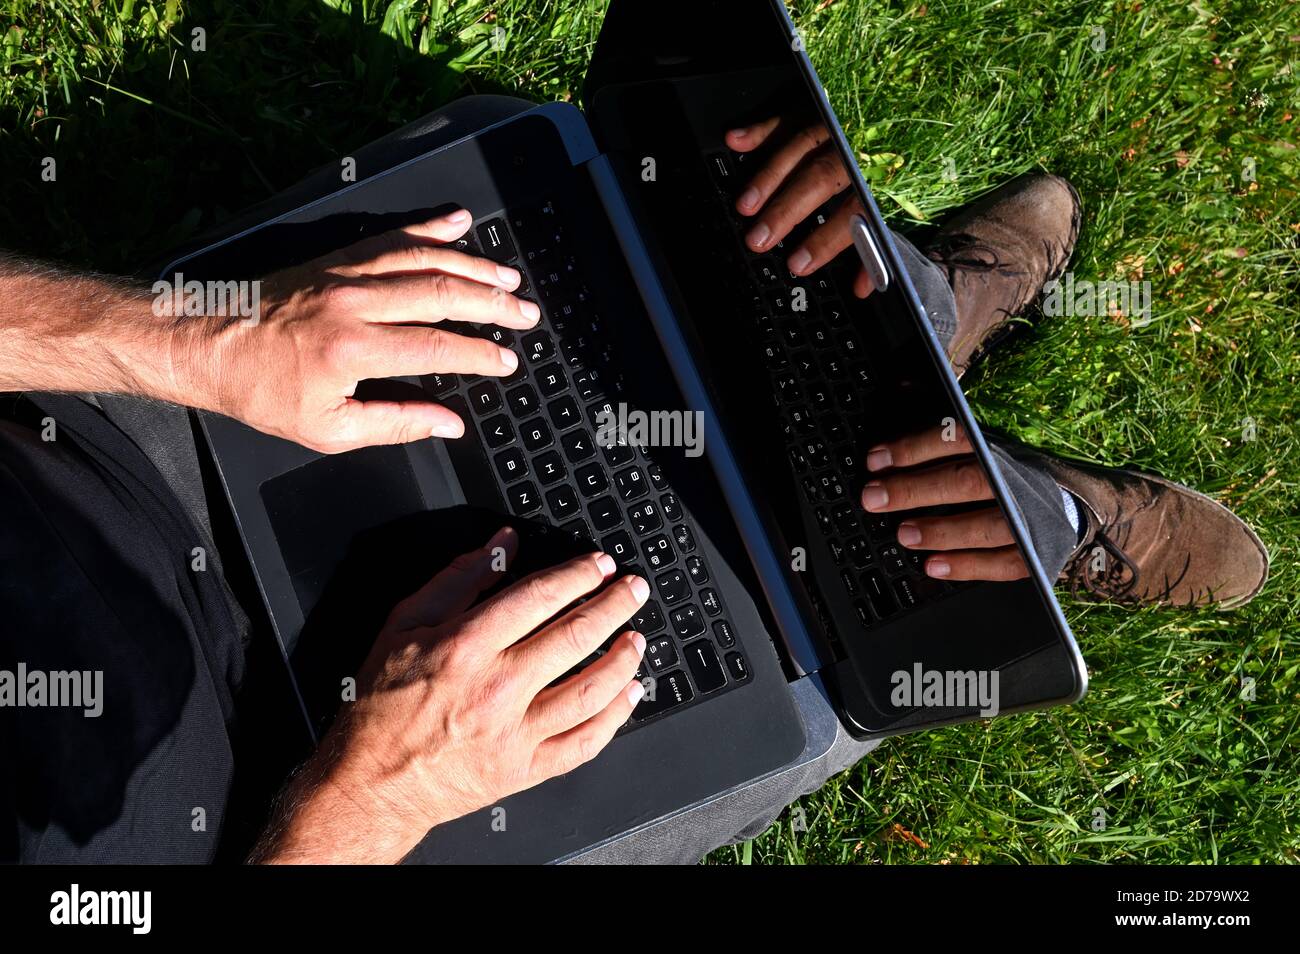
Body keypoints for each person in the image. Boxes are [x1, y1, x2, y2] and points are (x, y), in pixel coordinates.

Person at [0, 96, 1267, 865]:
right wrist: (375, 798)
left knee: (546, 201)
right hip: (278, 797)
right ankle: (1017, 514)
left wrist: (172, 335)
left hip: (119, 429)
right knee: (804, 670)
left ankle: (912, 321)